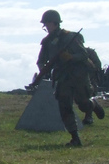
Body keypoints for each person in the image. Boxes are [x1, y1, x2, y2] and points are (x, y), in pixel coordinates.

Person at [35, 9, 104, 147]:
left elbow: (84, 55)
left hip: (78, 75)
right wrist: (44, 70)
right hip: (62, 77)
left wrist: (71, 57)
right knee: (65, 106)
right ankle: (75, 137)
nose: (46, 27)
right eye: (45, 24)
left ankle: (93, 105)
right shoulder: (47, 42)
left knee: (83, 104)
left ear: (55, 23)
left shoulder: (70, 37)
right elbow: (40, 60)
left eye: (47, 23)